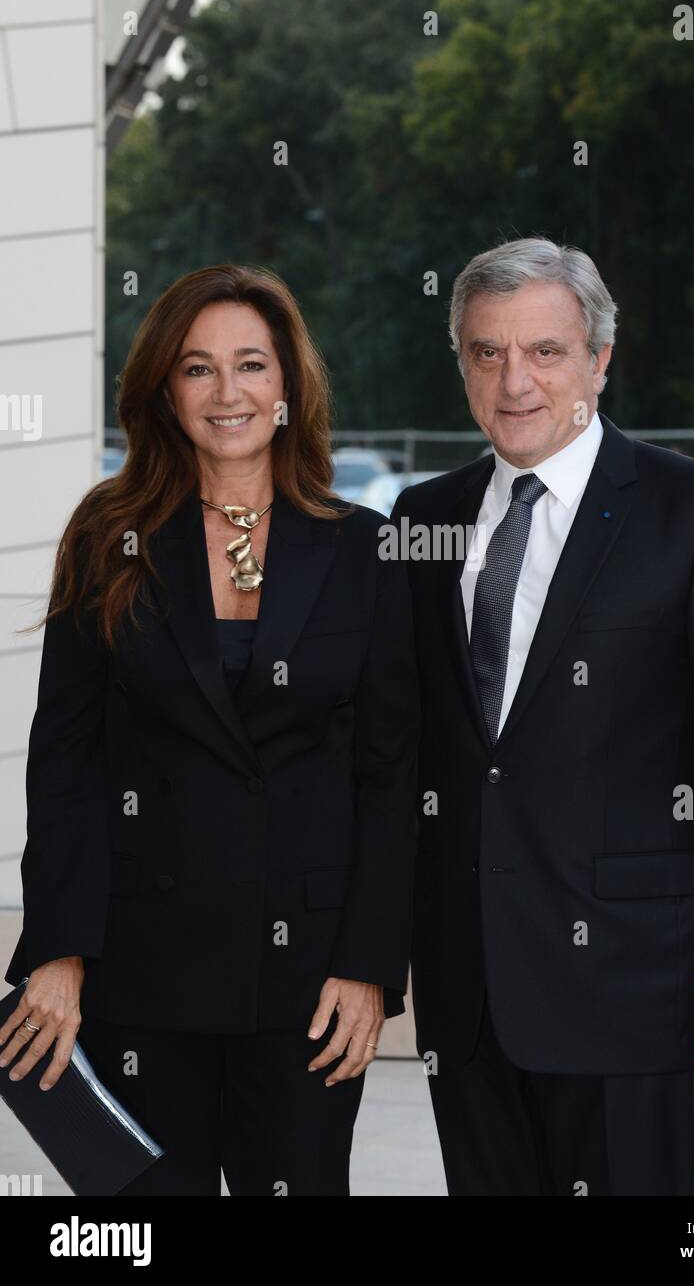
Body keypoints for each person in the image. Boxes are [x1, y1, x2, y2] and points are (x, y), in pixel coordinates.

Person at [393, 237, 694, 1196]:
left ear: (599, 360)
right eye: (487, 352)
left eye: (545, 351)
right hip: (472, 995)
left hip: (633, 990)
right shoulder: (423, 518)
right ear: (460, 363)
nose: (515, 380)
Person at [1, 264, 419, 1196]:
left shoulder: (362, 549)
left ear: (288, 387)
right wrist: (57, 952)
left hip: (310, 984)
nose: (227, 393)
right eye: (198, 368)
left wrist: (368, 967)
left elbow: (390, 777)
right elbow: (64, 762)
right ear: (163, 388)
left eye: (251, 365)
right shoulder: (107, 536)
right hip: (140, 974)